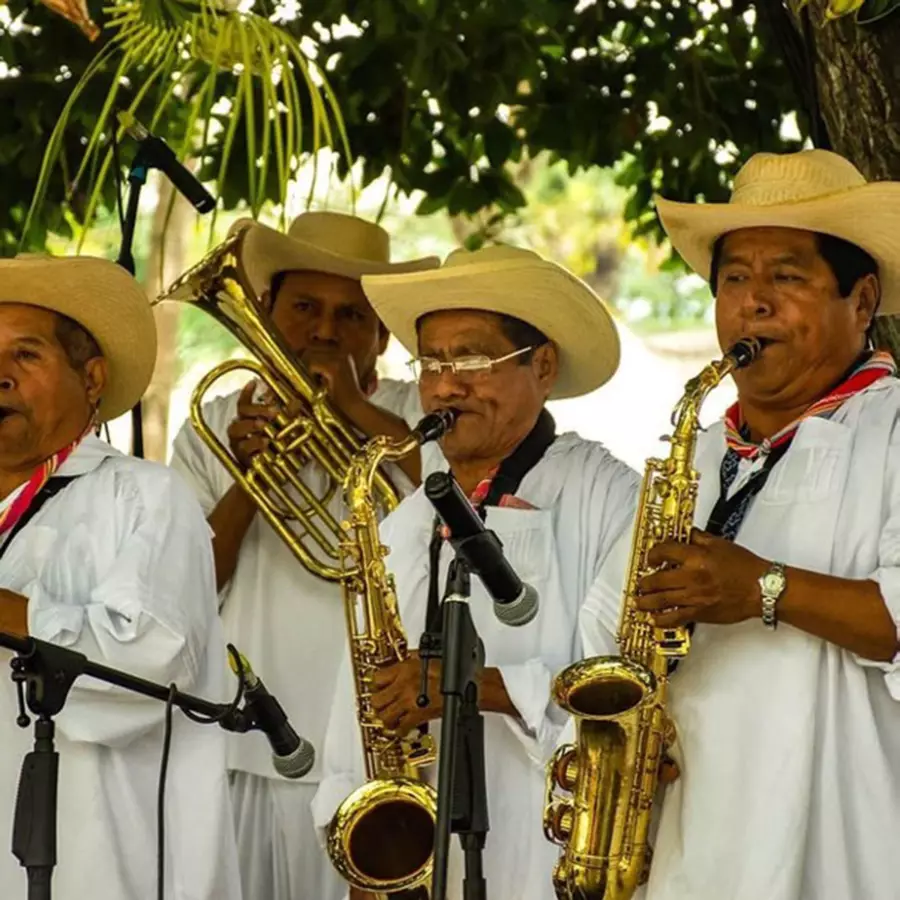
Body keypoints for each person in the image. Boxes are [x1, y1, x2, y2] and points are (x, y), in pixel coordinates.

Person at [581, 149, 900, 900]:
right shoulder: (694, 452)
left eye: (786, 277)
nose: (751, 304)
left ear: (862, 301)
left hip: (840, 849)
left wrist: (763, 586)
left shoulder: (891, 430)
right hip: (689, 846)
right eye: (733, 280)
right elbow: (604, 634)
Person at [311, 244, 640, 900]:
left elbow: (627, 691)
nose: (444, 385)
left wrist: (476, 687)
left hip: (547, 855)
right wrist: (367, 861)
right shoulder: (400, 523)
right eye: (431, 361)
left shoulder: (610, 495)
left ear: (542, 367)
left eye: (471, 359)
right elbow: (359, 715)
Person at [169, 210, 441, 900]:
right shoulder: (214, 425)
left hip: (381, 752)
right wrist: (249, 481)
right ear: (263, 310)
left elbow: (456, 501)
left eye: (352, 316)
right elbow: (187, 585)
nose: (324, 330)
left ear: (382, 334)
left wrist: (352, 407)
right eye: (304, 308)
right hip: (249, 746)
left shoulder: (421, 414)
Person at [0, 255, 240, 900]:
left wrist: (11, 613)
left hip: (102, 867)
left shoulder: (144, 496)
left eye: (25, 356)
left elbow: (150, 669)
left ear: (92, 378)